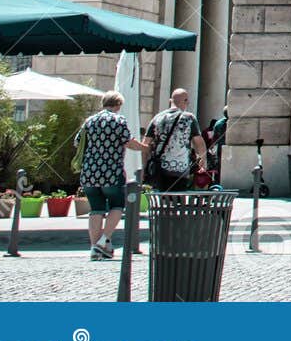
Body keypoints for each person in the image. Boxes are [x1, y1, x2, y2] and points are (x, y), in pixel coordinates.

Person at [75, 91, 148, 260]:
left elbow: (78, 142)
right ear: (118, 105)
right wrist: (145, 148)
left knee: (96, 210)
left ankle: (95, 249)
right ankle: (103, 240)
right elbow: (129, 142)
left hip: (89, 173)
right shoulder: (118, 120)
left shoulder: (89, 121)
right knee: (117, 206)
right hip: (111, 172)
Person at [139, 88, 208, 193]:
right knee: (176, 201)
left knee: (161, 201)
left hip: (158, 169)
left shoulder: (157, 118)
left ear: (171, 100)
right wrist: (203, 159)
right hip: (180, 170)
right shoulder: (189, 118)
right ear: (185, 101)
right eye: (187, 100)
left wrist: (143, 167)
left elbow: (145, 144)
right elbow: (199, 142)